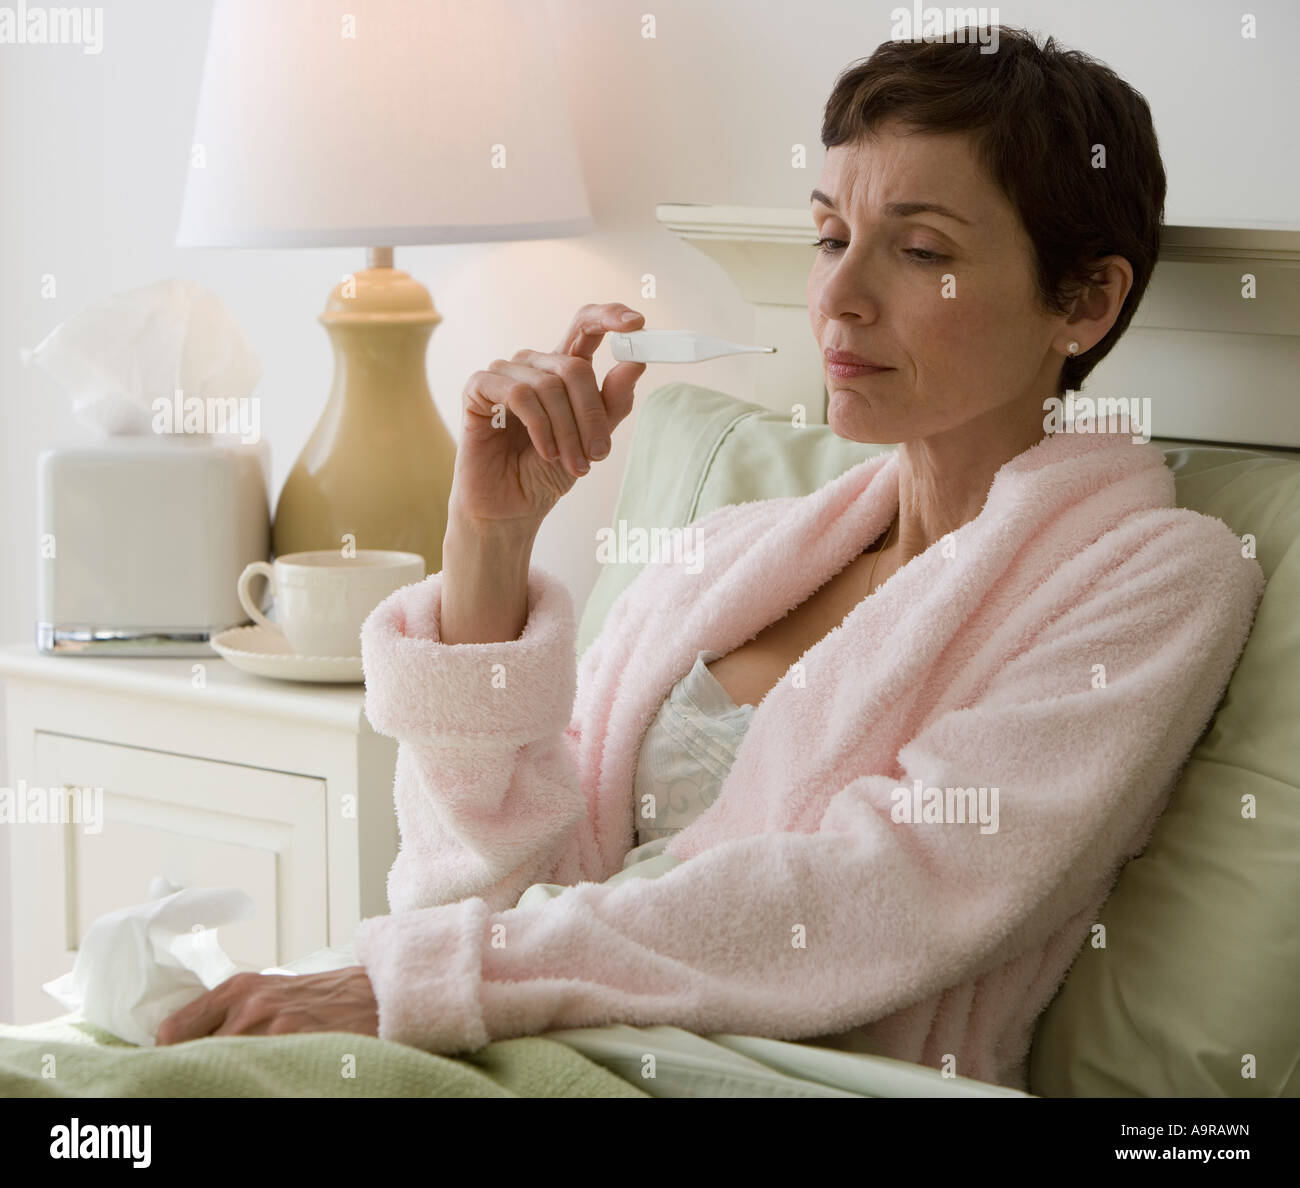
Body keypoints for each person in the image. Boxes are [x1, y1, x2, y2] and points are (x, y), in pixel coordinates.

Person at [158, 26, 1264, 1092]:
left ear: (1085, 301)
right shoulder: (729, 556)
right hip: (516, 1042)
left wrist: (431, 983)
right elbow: (483, 890)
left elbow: (881, 894)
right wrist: (488, 541)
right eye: (831, 236)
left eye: (919, 250)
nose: (835, 296)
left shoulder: (1150, 579)